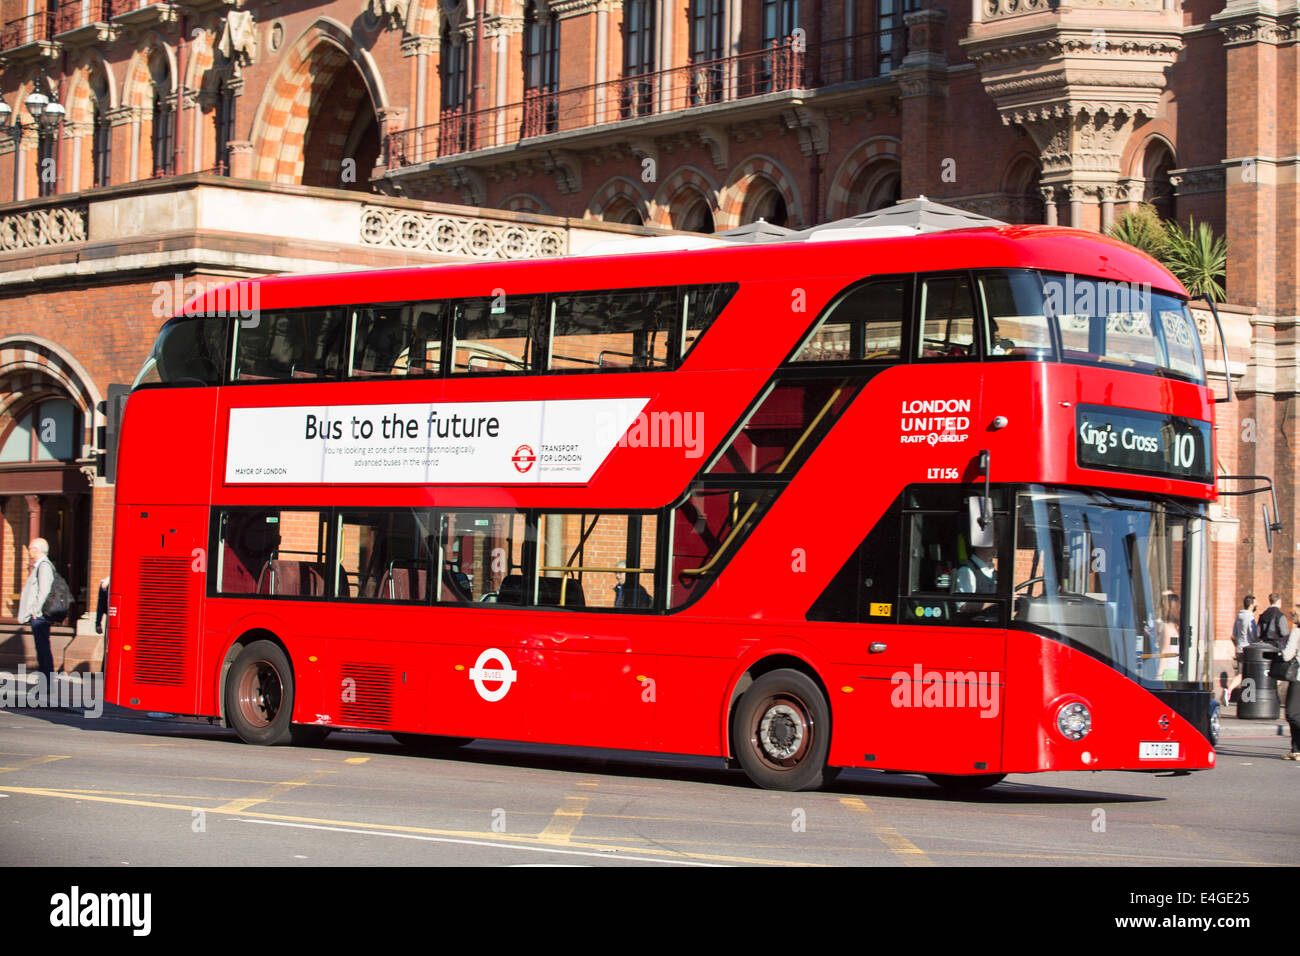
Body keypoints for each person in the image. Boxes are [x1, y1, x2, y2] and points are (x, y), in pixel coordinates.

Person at [17, 537, 54, 680]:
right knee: (41, 648)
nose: (29, 551)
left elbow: (44, 591)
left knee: (43, 648)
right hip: (39, 615)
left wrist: (35, 611)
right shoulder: (41, 565)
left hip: (40, 616)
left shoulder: (44, 566)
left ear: (37, 550)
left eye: (31, 548)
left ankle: (47, 680)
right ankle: (45, 678)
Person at [1225, 594, 1257, 706]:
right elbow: (1253, 635)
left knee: (1242, 674)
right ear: (1252, 605)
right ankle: (1229, 691)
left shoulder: (1239, 616)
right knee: (1244, 674)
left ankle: (1245, 697)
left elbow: (1233, 635)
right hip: (1248, 650)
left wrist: (1237, 646)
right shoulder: (1250, 617)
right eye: (1255, 603)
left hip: (1239, 649)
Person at [1280, 608, 1300, 760]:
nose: (1293, 616)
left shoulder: (1296, 632)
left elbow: (1287, 655)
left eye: (1295, 614)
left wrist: (1280, 652)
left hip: (1298, 678)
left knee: (1292, 713)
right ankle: (1295, 750)